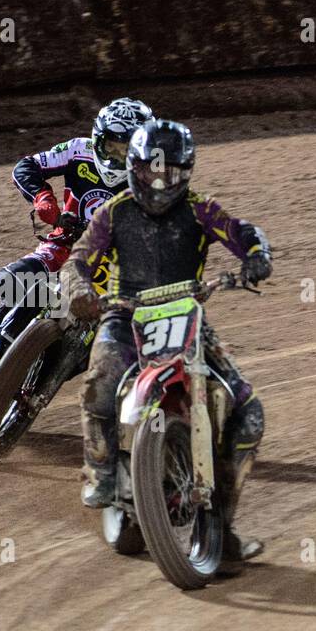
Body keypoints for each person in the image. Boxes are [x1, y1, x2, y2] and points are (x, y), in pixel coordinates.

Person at [59, 118, 273, 569]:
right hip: (124, 316)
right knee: (100, 381)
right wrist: (79, 290)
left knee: (248, 413)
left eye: (171, 172)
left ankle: (223, 527)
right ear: (133, 167)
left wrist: (256, 256)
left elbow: (244, 232)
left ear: (186, 171)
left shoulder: (200, 210)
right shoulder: (113, 212)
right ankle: (99, 471)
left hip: (187, 315)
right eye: (151, 171)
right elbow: (78, 259)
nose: (160, 181)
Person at [0, 98, 154, 368]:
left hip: (110, 273)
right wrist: (43, 199)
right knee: (16, 275)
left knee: (110, 347)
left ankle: (39, 391)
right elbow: (26, 167)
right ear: (98, 138)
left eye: (127, 151)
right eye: (112, 147)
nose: (118, 156)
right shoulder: (77, 150)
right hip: (63, 245)